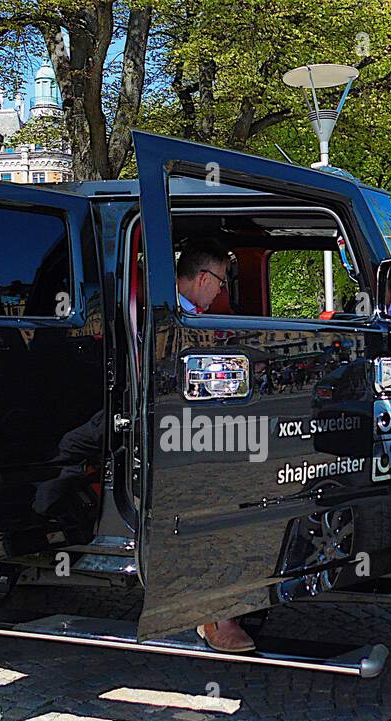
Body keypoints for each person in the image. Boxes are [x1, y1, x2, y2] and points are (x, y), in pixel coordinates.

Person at [172, 241, 256, 654]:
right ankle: (214, 613)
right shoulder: (171, 316)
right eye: (220, 283)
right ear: (204, 278)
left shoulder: (194, 314)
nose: (220, 292)